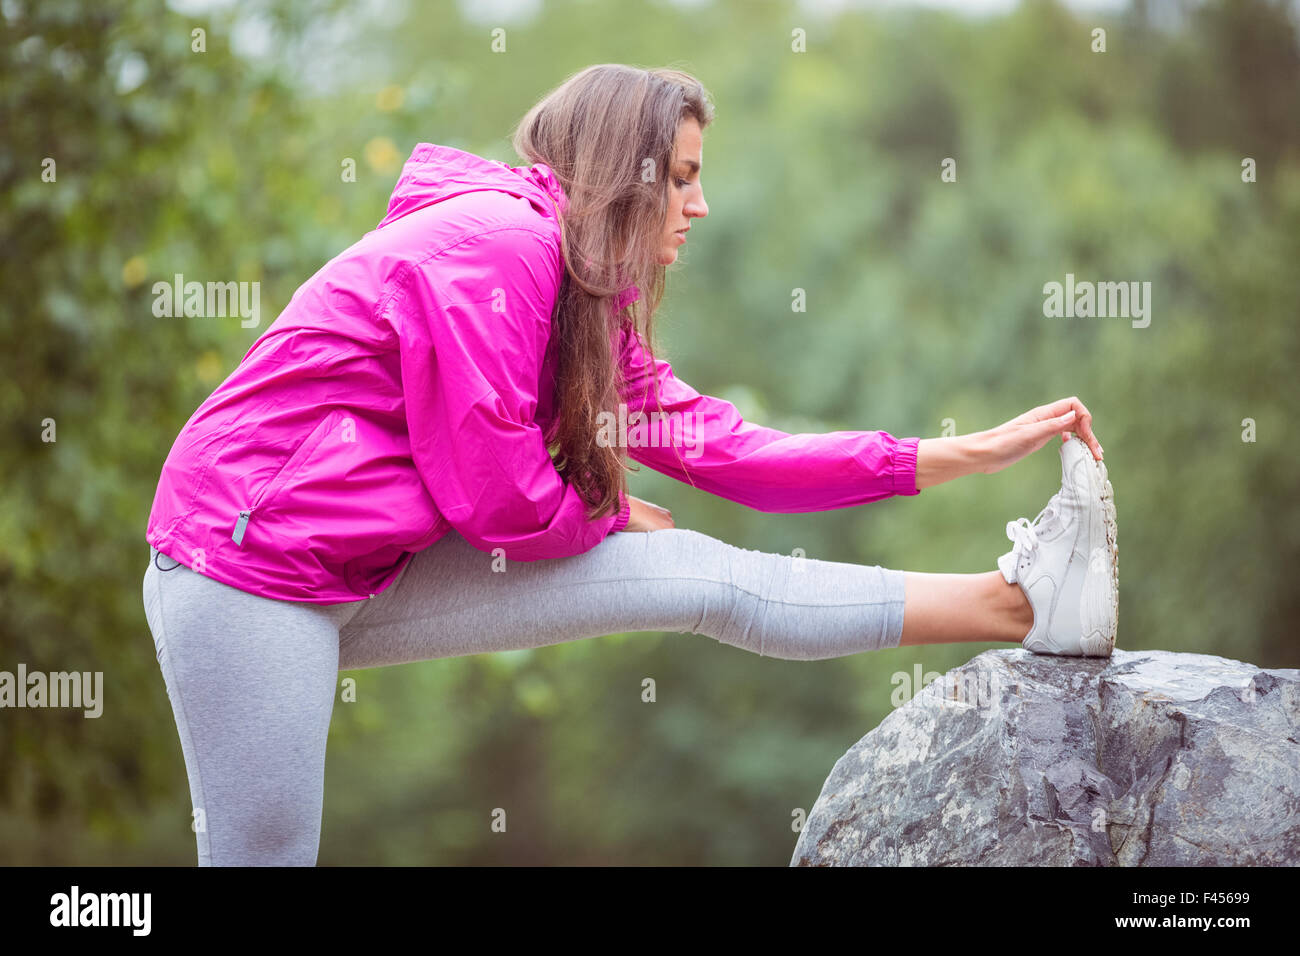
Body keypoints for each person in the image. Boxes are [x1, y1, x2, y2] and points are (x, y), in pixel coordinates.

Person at [140, 64, 1118, 866]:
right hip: (246, 564)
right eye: (683, 175)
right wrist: (613, 513)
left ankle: (1019, 604)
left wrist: (959, 453)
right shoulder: (499, 247)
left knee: (702, 575)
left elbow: (731, 450)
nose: (700, 202)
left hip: (352, 564)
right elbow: (499, 496)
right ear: (628, 171)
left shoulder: (578, 293)